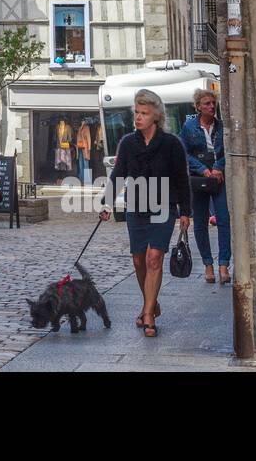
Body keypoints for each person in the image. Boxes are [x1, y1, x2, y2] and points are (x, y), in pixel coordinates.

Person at [100, 89, 191, 338]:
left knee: (154, 258)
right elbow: (118, 174)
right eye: (136, 113)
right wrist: (107, 203)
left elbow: (182, 179)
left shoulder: (172, 144)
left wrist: (186, 211)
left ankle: (149, 314)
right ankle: (151, 303)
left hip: (164, 206)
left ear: (156, 116)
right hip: (137, 207)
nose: (138, 117)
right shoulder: (128, 143)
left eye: (144, 113)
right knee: (139, 260)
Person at [180, 88, 230, 285]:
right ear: (198, 106)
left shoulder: (221, 127)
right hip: (198, 179)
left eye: (213, 103)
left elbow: (230, 149)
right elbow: (184, 152)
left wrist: (218, 167)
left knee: (223, 220)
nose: (211, 106)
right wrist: (202, 169)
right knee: (200, 223)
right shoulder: (189, 127)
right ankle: (208, 265)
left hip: (218, 179)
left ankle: (224, 265)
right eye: (207, 103)